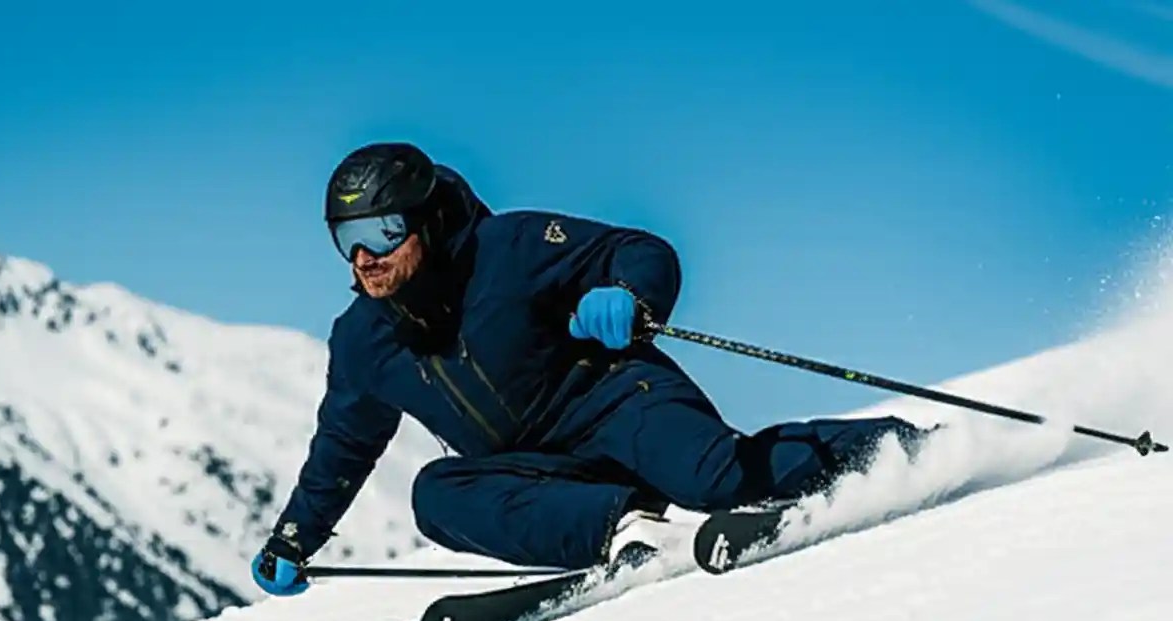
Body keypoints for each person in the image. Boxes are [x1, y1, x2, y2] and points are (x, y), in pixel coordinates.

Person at [251, 142, 926, 596]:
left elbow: (639, 249)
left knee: (718, 479)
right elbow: (343, 446)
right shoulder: (364, 342)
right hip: (542, 470)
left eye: (383, 233)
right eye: (348, 240)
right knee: (435, 495)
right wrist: (294, 538)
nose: (364, 258)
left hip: (619, 404)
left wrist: (629, 297)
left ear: (425, 223)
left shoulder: (509, 248)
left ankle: (898, 447)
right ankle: (627, 528)